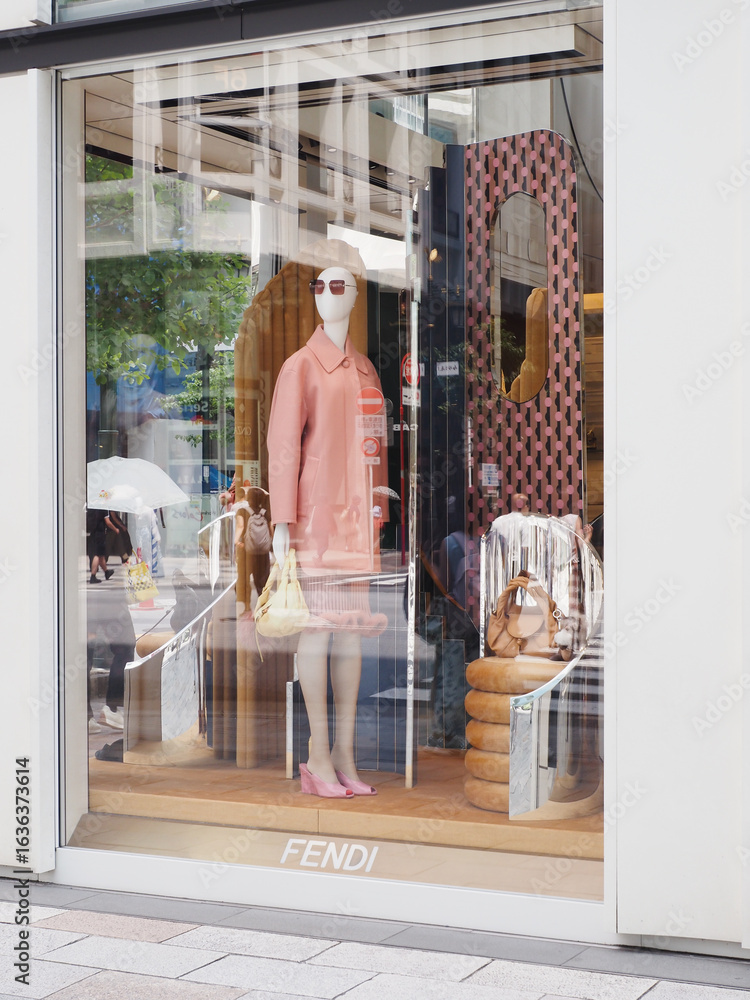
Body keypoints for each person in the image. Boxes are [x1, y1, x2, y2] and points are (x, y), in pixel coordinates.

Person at [267, 265, 387, 798]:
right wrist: (281, 527)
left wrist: (380, 513)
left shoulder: (365, 370)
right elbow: (283, 452)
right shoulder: (300, 368)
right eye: (318, 285)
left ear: (355, 296)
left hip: (359, 525)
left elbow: (377, 450)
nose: (326, 295)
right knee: (318, 631)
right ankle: (316, 753)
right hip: (316, 524)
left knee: (351, 638)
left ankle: (344, 752)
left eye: (338, 286)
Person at [86, 507, 115, 583]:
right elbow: (108, 522)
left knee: (101, 555)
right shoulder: (103, 508)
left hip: (93, 533)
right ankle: (93, 576)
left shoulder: (91, 508)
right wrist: (115, 529)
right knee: (97, 555)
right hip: (100, 534)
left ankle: (106, 572)